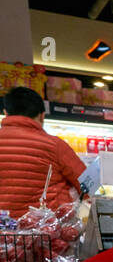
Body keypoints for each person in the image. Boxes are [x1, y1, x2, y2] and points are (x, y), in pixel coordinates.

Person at [0, 86, 85, 215]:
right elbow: (87, 184)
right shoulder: (56, 145)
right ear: (42, 116)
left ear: (6, 113)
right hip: (47, 229)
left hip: (3, 229)